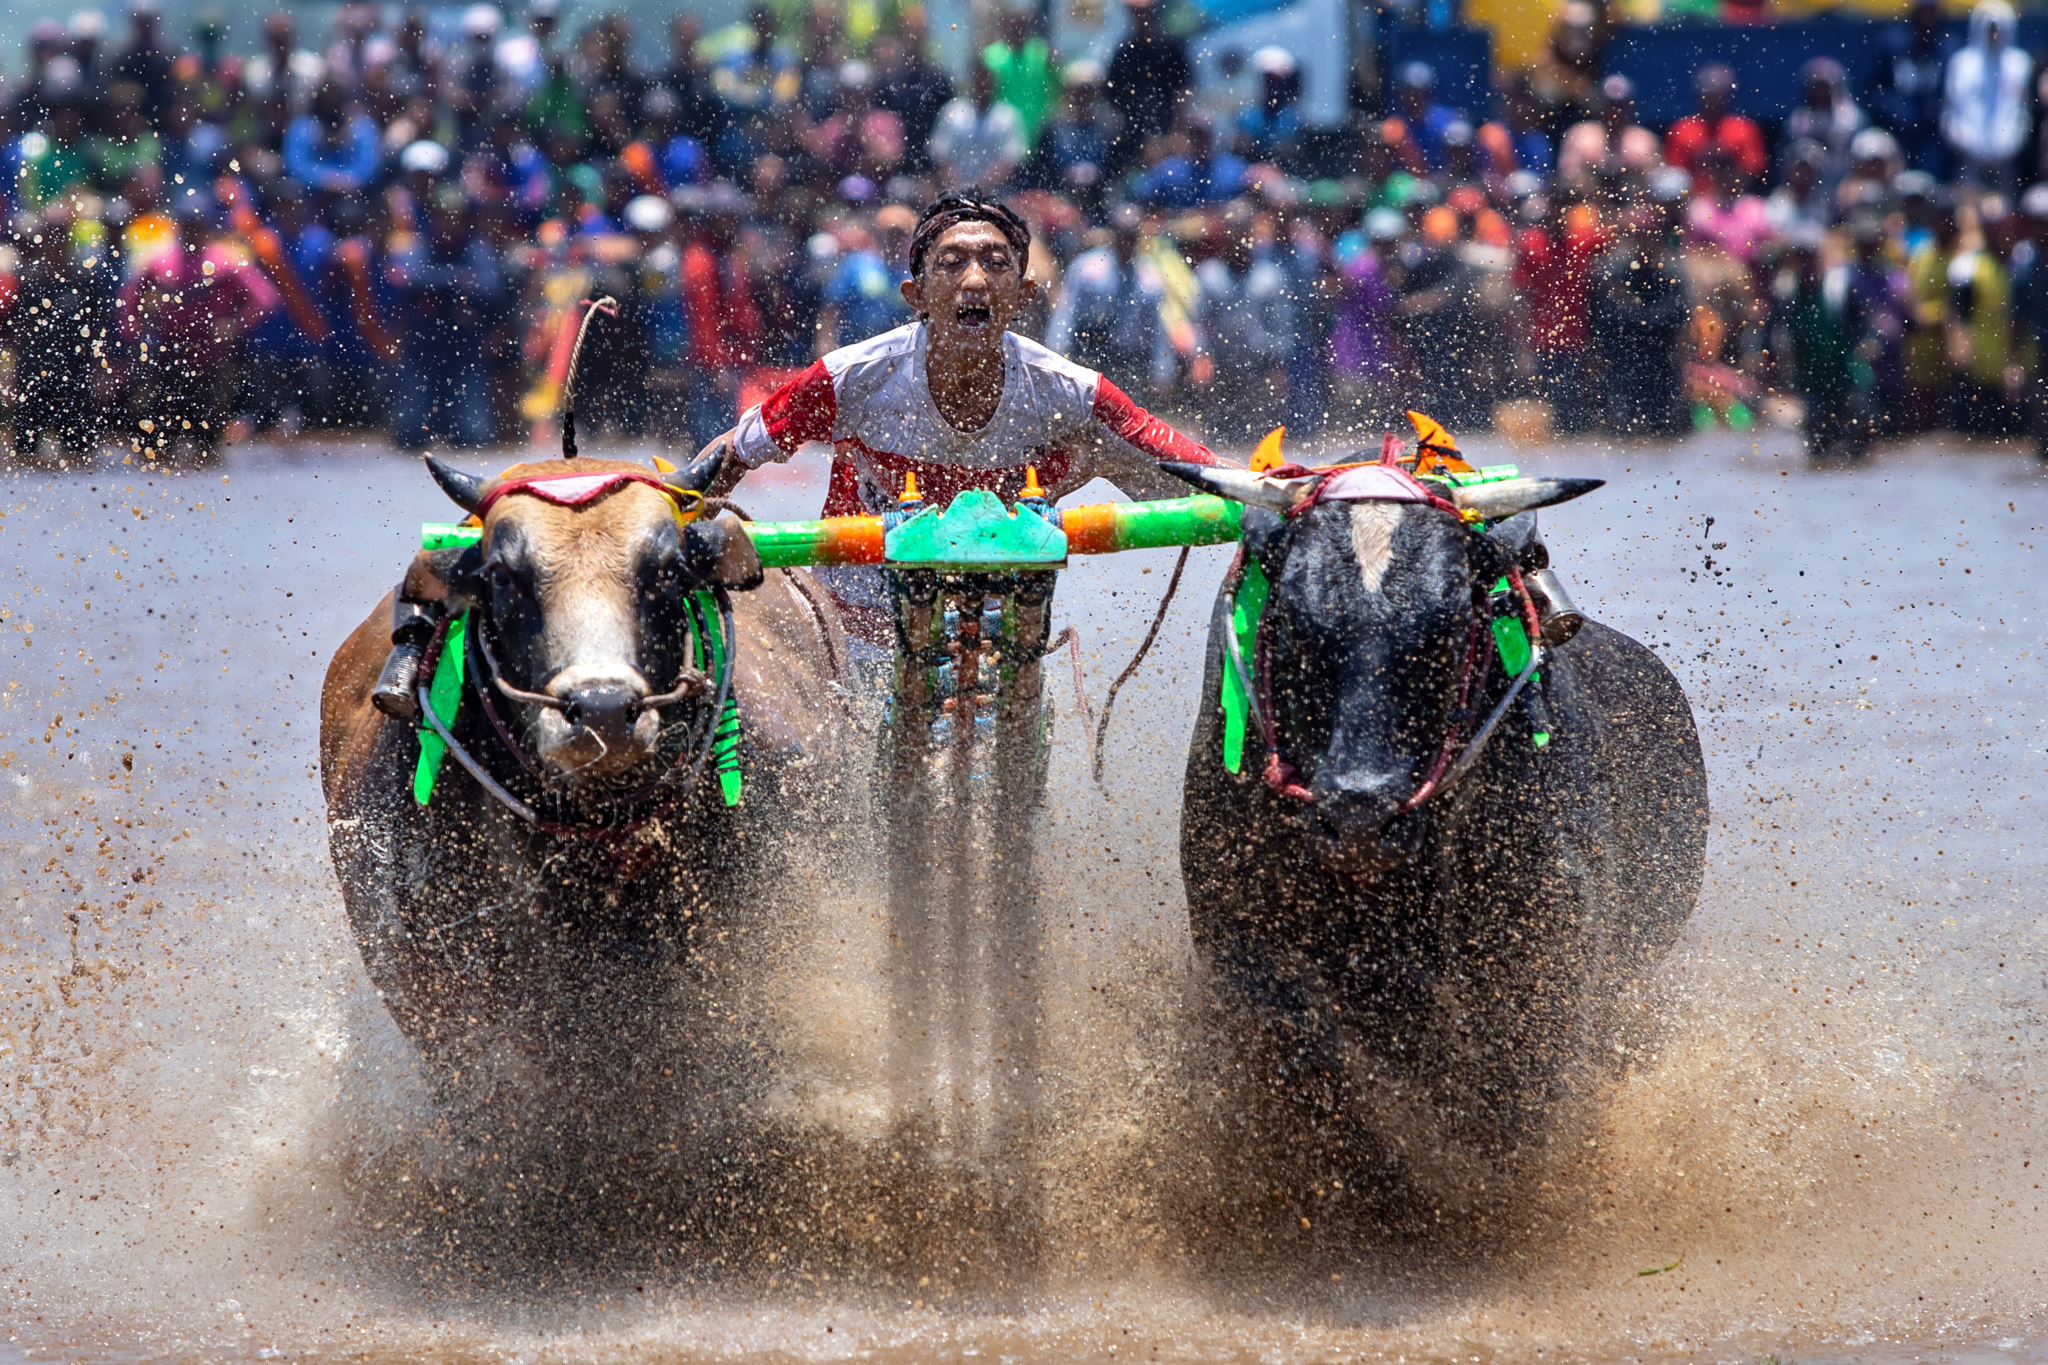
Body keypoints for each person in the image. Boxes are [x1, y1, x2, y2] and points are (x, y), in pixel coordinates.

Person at [696, 195, 1217, 646]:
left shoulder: (1069, 388)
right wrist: (680, 518)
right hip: (858, 619)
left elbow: (1186, 463)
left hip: (997, 619)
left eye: (995, 263)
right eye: (951, 263)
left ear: (1022, 296)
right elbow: (736, 452)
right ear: (915, 295)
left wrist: (1274, 493)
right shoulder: (850, 376)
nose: (974, 280)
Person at [1942, 0, 2031, 195]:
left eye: (1998, 27)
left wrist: (2010, 144)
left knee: (2005, 210)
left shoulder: (2020, 65)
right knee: (1969, 210)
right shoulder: (1961, 64)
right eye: (1990, 27)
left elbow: (2023, 112)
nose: (1994, 33)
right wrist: (1965, 140)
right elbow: (1951, 111)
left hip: (2007, 158)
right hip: (1968, 156)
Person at [1105, 0, 1191, 173]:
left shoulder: (1170, 47)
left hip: (1168, 130)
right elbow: (1112, 96)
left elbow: (1183, 91)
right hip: (1133, 135)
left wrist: (1175, 132)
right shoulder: (1124, 52)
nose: (1141, 17)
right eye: (1136, 12)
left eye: (1145, 12)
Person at [1663, 65, 1767, 188]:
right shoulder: (1682, 129)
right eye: (1708, 95)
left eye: (1718, 95)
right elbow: (1675, 174)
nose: (1713, 101)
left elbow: (1753, 171)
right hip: (1692, 201)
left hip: (1735, 199)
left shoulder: (1744, 128)